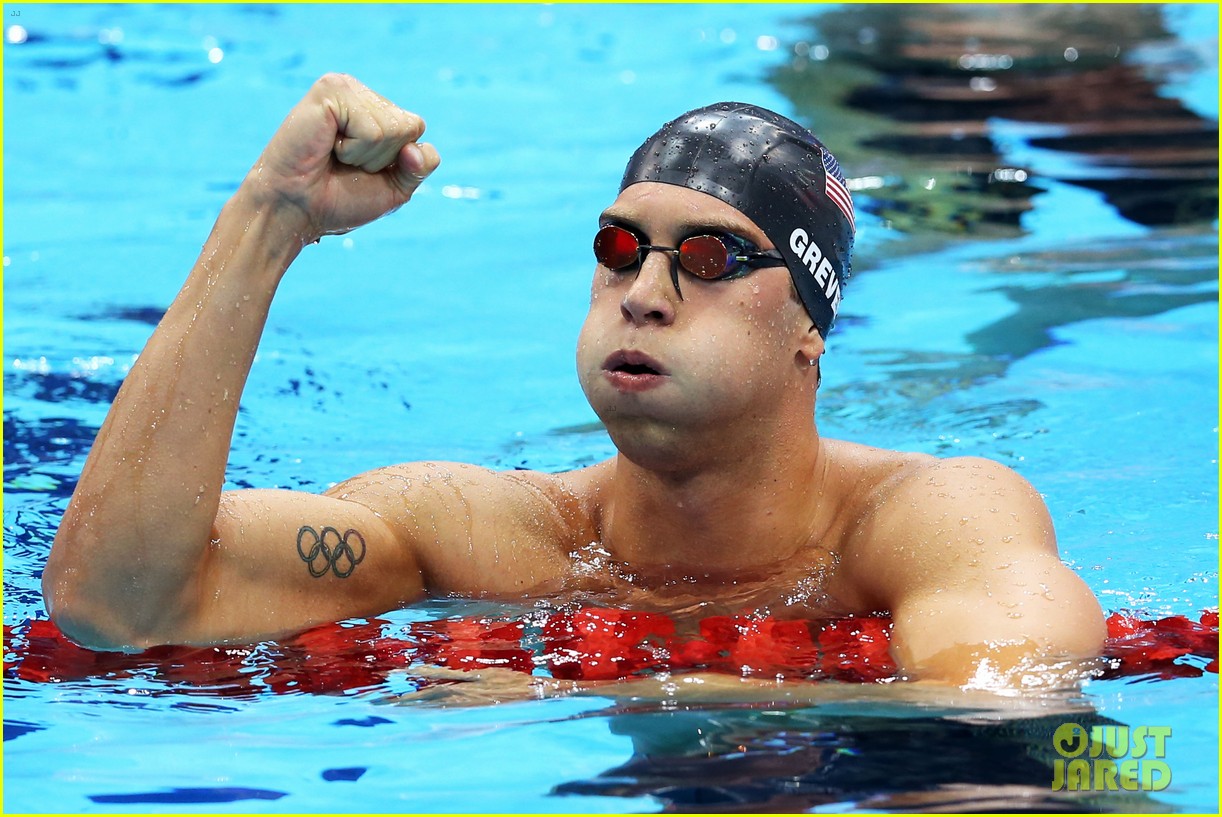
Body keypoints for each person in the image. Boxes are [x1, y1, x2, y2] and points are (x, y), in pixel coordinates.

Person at [44, 74, 1104, 686]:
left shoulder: (933, 515)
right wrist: (270, 219)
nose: (643, 292)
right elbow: (116, 603)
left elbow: (1015, 720)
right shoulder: (478, 531)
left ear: (807, 333)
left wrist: (591, 690)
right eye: (617, 247)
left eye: (707, 259)